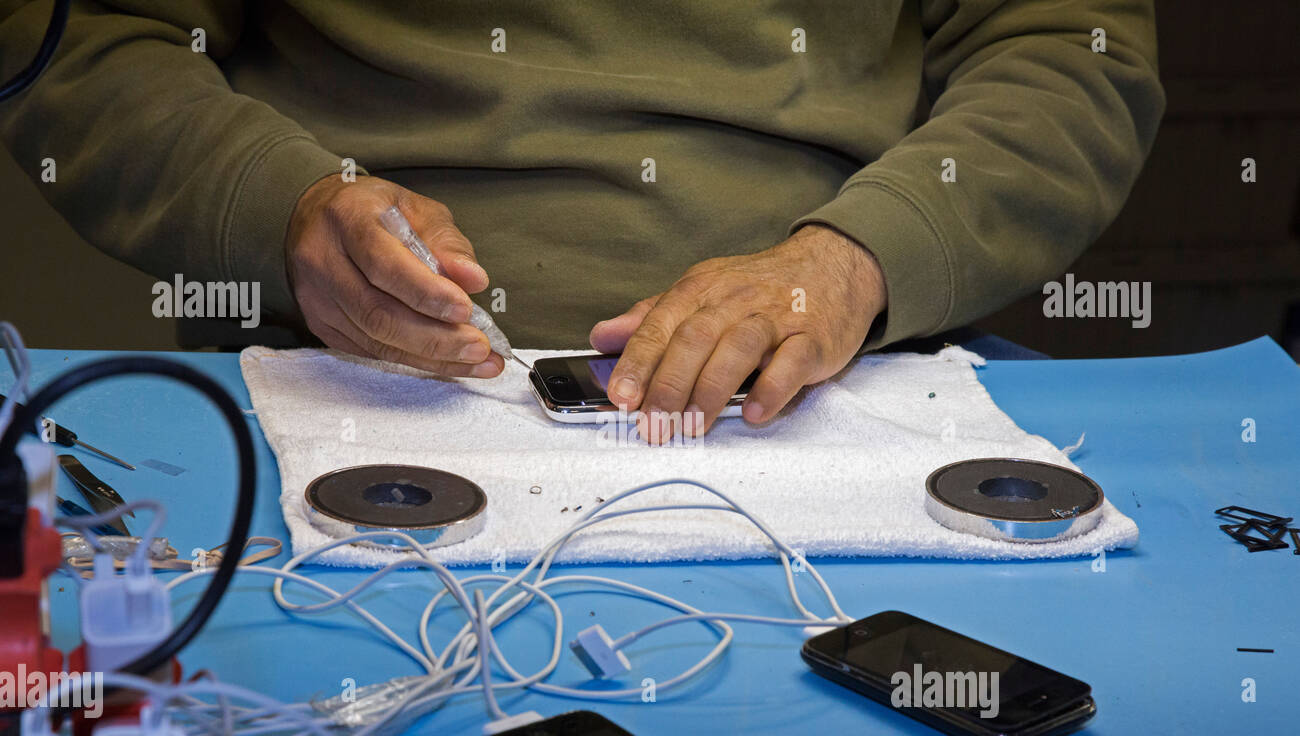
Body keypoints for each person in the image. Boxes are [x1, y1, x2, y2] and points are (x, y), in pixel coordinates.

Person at [0, 1, 1162, 439]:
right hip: (343, 381)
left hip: (851, 374)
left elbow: (1069, 47)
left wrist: (861, 259)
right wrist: (281, 207)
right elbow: (87, 41)